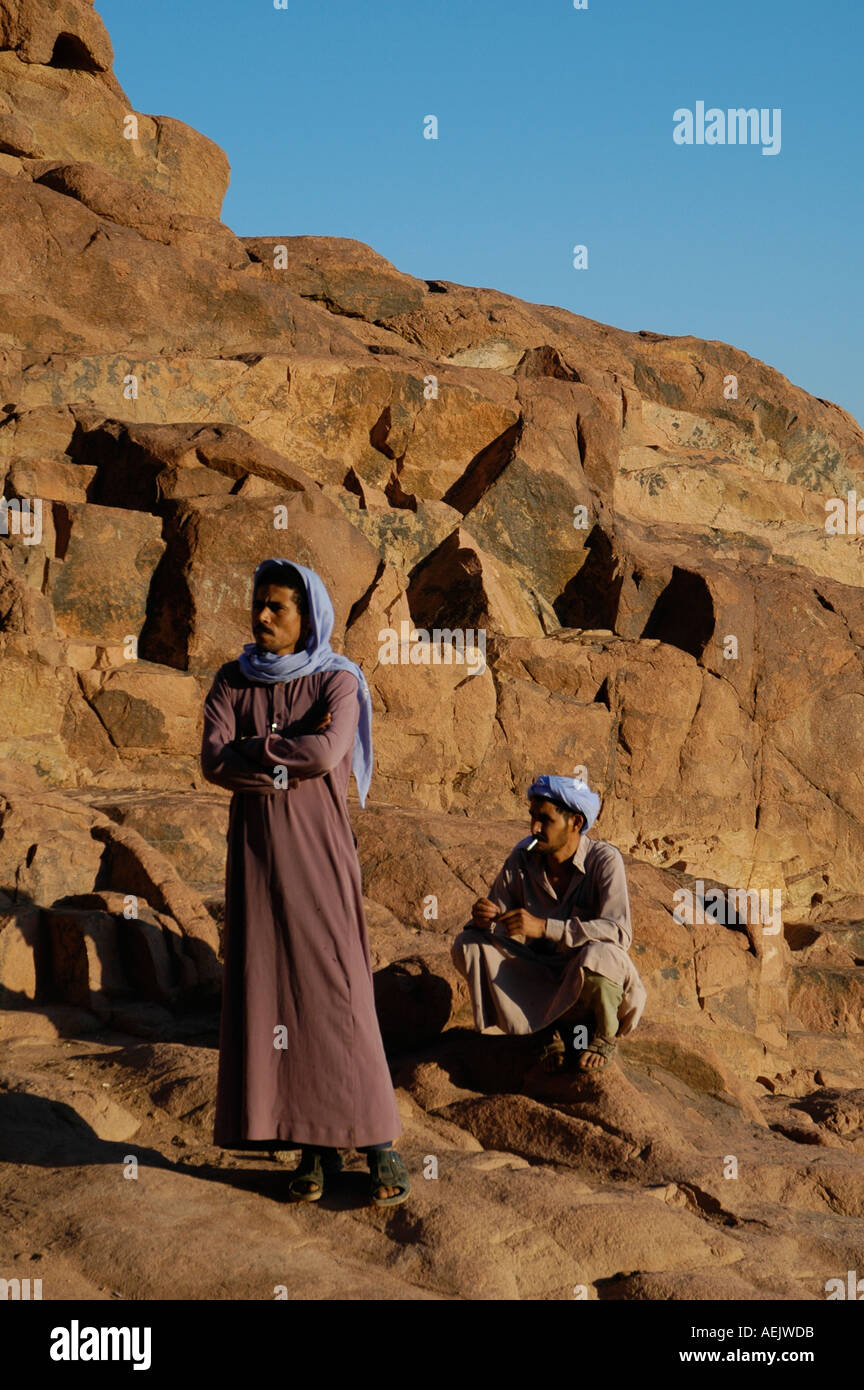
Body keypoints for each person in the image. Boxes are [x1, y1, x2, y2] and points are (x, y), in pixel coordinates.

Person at [200, 557, 410, 1206]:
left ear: (308, 617)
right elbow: (212, 761)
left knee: (338, 993)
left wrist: (253, 752)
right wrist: (284, 748)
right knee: (276, 1000)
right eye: (258, 604)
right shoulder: (232, 679)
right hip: (258, 861)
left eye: (277, 608)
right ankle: (311, 1149)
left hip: (318, 856)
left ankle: (378, 1145)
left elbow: (326, 755)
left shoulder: (337, 681)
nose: (261, 616)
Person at [451, 774, 646, 1072]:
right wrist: (486, 919)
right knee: (469, 944)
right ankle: (541, 1031)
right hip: (540, 977)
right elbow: (501, 920)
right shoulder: (522, 858)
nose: (534, 828)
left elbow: (618, 933)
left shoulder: (604, 860)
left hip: (584, 979)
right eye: (532, 817)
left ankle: (603, 1036)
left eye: (545, 820)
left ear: (576, 823)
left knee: (600, 955)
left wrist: (545, 928)